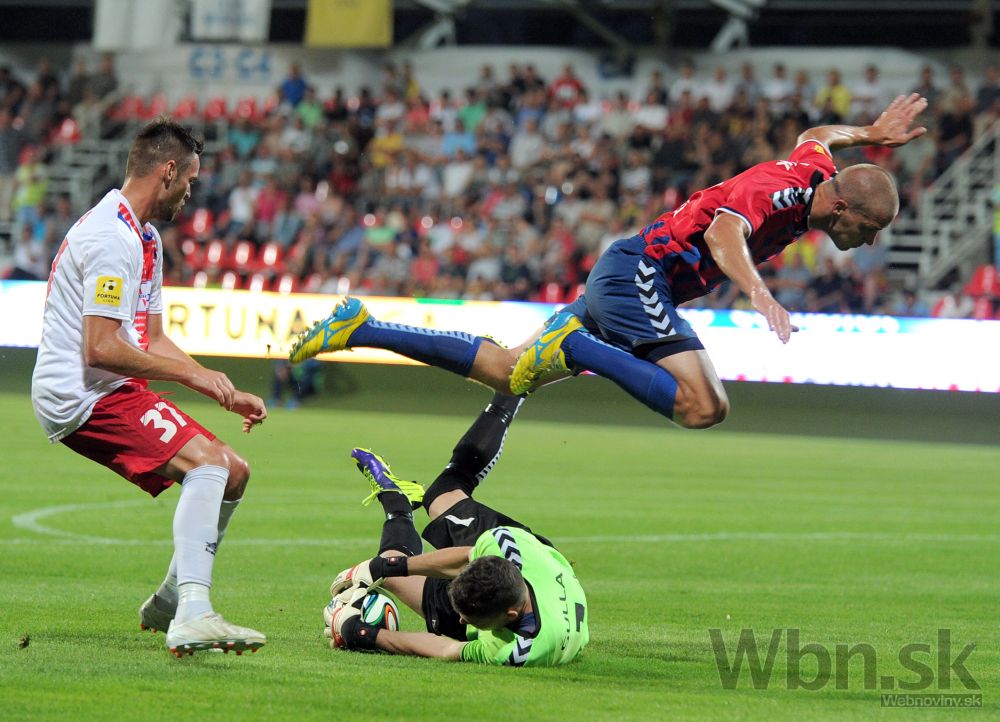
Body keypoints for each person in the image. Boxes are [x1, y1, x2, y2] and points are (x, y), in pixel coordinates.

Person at [289, 95, 927, 431]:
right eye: (868, 228)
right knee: (704, 407)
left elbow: (817, 134)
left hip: (627, 273)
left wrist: (868, 133)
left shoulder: (816, 170)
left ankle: (360, 326)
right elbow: (727, 236)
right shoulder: (778, 191)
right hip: (639, 275)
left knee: (510, 373)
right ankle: (578, 344)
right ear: (842, 205)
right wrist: (759, 293)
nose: (868, 243)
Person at [30, 118, 267, 657]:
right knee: (208, 465)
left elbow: (151, 337)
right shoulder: (110, 238)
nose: (191, 190)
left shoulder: (145, 238)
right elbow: (100, 347)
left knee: (233, 471)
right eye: (190, 179)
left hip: (109, 384)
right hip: (82, 392)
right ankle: (193, 613)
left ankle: (166, 604)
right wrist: (190, 375)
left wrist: (217, 386)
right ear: (167, 171)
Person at [325, 393, 589, 665]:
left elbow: (446, 649)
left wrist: (362, 634)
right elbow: (466, 555)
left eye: (469, 618)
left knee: (392, 576)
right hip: (538, 553)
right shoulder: (508, 545)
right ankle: (512, 390)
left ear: (510, 615)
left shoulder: (515, 651)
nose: (461, 618)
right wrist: (386, 566)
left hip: (529, 608)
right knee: (442, 496)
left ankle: (396, 501)